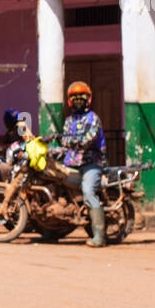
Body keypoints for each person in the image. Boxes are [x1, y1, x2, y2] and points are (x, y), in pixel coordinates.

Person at [60, 81, 107, 247]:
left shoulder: (93, 119)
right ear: (70, 101)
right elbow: (63, 140)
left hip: (91, 164)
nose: (78, 101)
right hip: (71, 164)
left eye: (82, 97)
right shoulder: (68, 120)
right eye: (75, 98)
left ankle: (99, 236)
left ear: (88, 99)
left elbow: (87, 140)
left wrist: (68, 142)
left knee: (88, 191)